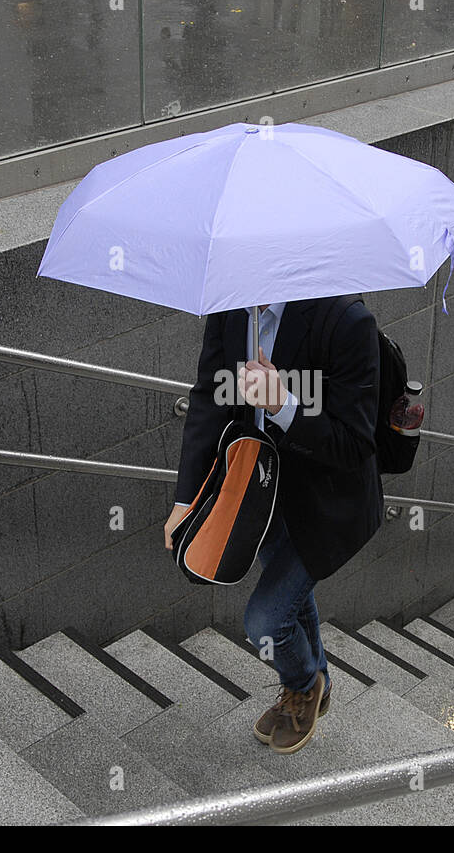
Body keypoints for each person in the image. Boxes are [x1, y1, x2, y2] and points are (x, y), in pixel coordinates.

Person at [164, 297, 383, 753]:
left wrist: (283, 403)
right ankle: (317, 677)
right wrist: (185, 500)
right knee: (291, 603)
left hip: (326, 504)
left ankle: (304, 683)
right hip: (260, 496)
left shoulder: (347, 321)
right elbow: (209, 395)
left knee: (265, 621)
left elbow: (355, 443)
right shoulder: (230, 307)